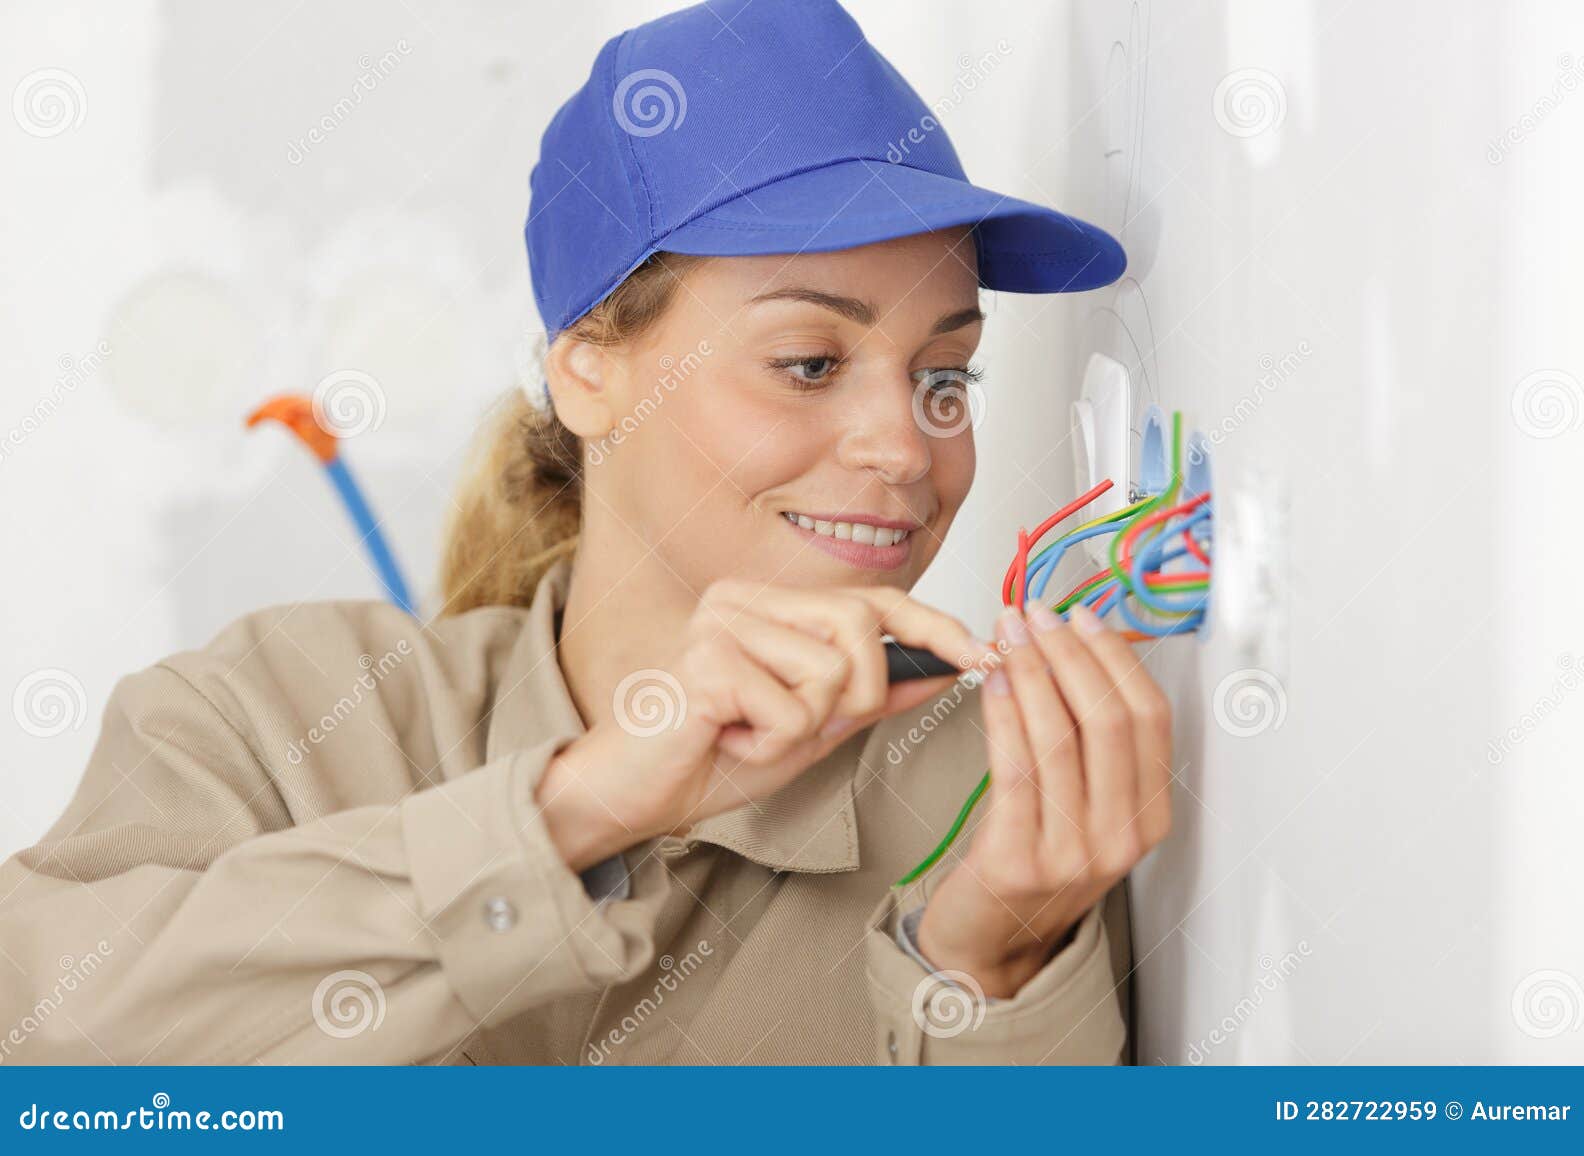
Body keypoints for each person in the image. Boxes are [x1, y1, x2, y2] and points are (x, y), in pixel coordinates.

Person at [0, 0, 1171, 1065]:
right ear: (588, 373)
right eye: (810, 362)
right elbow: (50, 1052)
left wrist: (978, 980)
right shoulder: (273, 720)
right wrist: (577, 809)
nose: (907, 447)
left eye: (944, 377)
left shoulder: (997, 794)